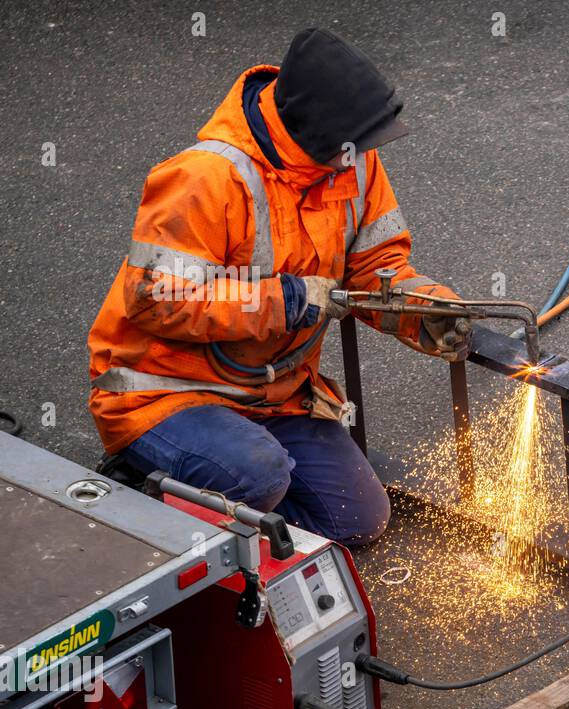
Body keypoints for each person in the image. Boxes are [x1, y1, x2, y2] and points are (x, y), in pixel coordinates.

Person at [87, 28, 469, 546]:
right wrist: (285, 301)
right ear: (314, 134)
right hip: (166, 393)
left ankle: (235, 513)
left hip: (274, 394)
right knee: (257, 476)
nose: (360, 160)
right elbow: (157, 300)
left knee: (356, 521)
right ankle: (151, 497)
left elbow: (375, 264)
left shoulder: (349, 158)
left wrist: (422, 310)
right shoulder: (206, 178)